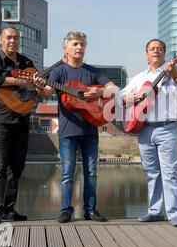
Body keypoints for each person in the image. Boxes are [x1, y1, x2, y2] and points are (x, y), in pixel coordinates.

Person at [37, 32, 118, 223]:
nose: (79, 47)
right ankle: (66, 210)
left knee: (91, 172)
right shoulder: (58, 72)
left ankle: (90, 210)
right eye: (75, 44)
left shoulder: (94, 72)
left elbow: (114, 90)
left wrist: (101, 92)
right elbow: (47, 93)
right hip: (67, 130)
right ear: (66, 49)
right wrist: (39, 86)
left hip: (91, 129)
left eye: (82, 44)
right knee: (67, 172)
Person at [118, 39, 177, 227]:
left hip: (167, 128)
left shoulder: (175, 72)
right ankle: (155, 211)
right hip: (144, 128)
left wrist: (175, 76)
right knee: (151, 172)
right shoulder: (139, 77)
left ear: (165, 54)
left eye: (159, 49)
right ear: (146, 54)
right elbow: (119, 97)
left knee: (169, 172)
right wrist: (128, 97)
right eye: (152, 49)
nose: (155, 51)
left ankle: (174, 214)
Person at [0, 26, 44, 225]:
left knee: (16, 167)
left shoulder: (26, 62)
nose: (12, 41)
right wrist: (14, 80)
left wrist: (38, 85)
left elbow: (32, 89)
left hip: (22, 119)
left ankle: (9, 209)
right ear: (1, 39)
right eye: (9, 38)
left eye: (16, 38)